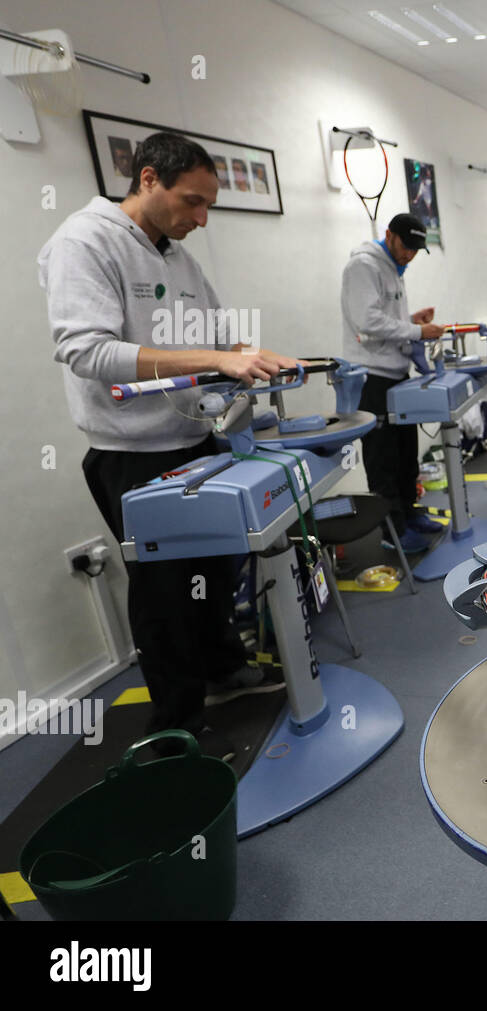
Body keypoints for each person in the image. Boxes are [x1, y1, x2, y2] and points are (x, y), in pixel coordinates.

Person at [39, 132, 305, 759]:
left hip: (196, 441)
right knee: (164, 592)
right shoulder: (86, 241)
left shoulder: (180, 258)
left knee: (214, 572)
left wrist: (253, 357)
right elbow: (87, 351)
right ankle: (175, 723)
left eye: (208, 206)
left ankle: (224, 668)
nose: (201, 219)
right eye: (193, 203)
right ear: (149, 179)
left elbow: (218, 333)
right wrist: (217, 356)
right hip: (132, 455)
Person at [341, 212, 445, 554]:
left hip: (396, 375)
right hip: (372, 378)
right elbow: (366, 320)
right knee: (382, 458)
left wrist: (411, 320)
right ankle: (392, 531)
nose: (410, 255)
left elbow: (386, 319)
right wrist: (417, 331)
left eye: (416, 250)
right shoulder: (363, 266)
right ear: (389, 235)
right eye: (406, 247)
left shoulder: (395, 269)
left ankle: (410, 516)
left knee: (405, 456)